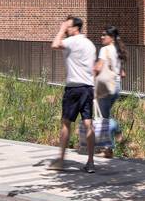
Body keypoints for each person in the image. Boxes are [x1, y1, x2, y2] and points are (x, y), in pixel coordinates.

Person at [50, 16, 98, 173]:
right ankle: (90, 162)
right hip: (88, 87)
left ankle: (61, 160)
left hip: (74, 88)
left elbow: (55, 44)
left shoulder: (72, 41)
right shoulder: (90, 44)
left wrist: (61, 30)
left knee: (66, 123)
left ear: (75, 28)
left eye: (69, 26)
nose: (66, 29)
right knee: (88, 124)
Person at [94, 26, 125, 159]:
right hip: (117, 86)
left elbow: (98, 67)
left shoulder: (104, 49)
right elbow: (122, 73)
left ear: (111, 38)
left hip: (106, 88)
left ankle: (109, 148)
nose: (101, 37)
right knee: (105, 115)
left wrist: (91, 77)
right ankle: (111, 141)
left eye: (104, 35)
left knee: (104, 119)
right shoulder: (118, 50)